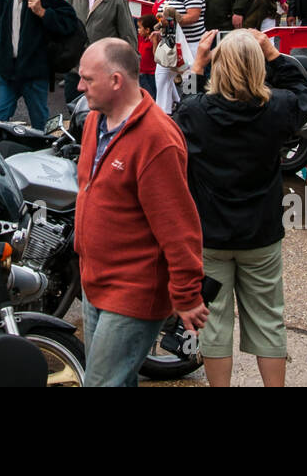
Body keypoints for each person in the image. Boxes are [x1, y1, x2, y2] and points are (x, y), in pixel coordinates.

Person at [177, 29, 307, 387]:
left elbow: (182, 107)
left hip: (210, 234)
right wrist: (272, 53)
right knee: (269, 319)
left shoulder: (197, 113)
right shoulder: (276, 108)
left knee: (214, 322)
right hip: (261, 232)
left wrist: (197, 64)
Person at [73, 38, 207, 387]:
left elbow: (178, 226)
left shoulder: (157, 139)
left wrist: (187, 294)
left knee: (101, 384)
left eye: (87, 79)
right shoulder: (94, 122)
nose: (79, 86)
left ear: (116, 81)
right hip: (95, 281)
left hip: (132, 289)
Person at [0, 0, 79, 128]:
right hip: (8, 71)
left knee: (40, 123)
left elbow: (69, 21)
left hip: (34, 72)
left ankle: (42, 154)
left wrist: (43, 13)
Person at [64, 0, 137, 101]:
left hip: (104, 66)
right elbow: (63, 25)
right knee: (73, 109)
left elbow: (127, 32)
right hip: (76, 66)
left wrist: (131, 63)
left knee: (101, 110)